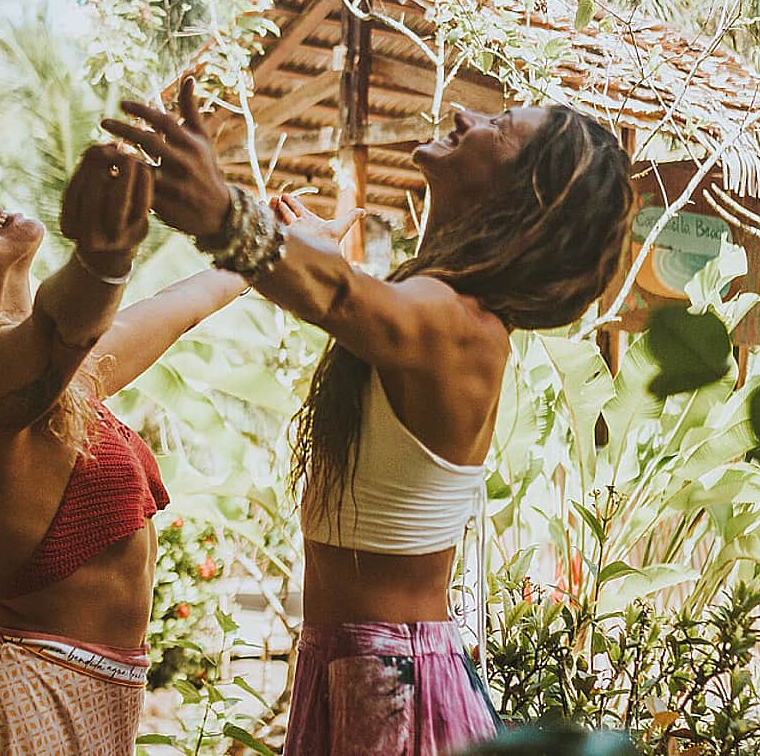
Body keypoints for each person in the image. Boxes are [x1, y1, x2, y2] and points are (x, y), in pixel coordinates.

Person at [102, 78, 636, 756]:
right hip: (358, 665)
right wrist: (301, 247)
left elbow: (347, 299)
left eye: (497, 128)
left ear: (522, 200)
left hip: (393, 684)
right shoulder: (435, 306)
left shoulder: (465, 328)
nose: (464, 113)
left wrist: (223, 212)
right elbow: (359, 298)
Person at [0, 142, 352, 754]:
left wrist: (277, 244)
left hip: (67, 698)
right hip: (20, 710)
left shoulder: (59, 381)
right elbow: (65, 322)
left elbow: (175, 308)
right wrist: (106, 251)